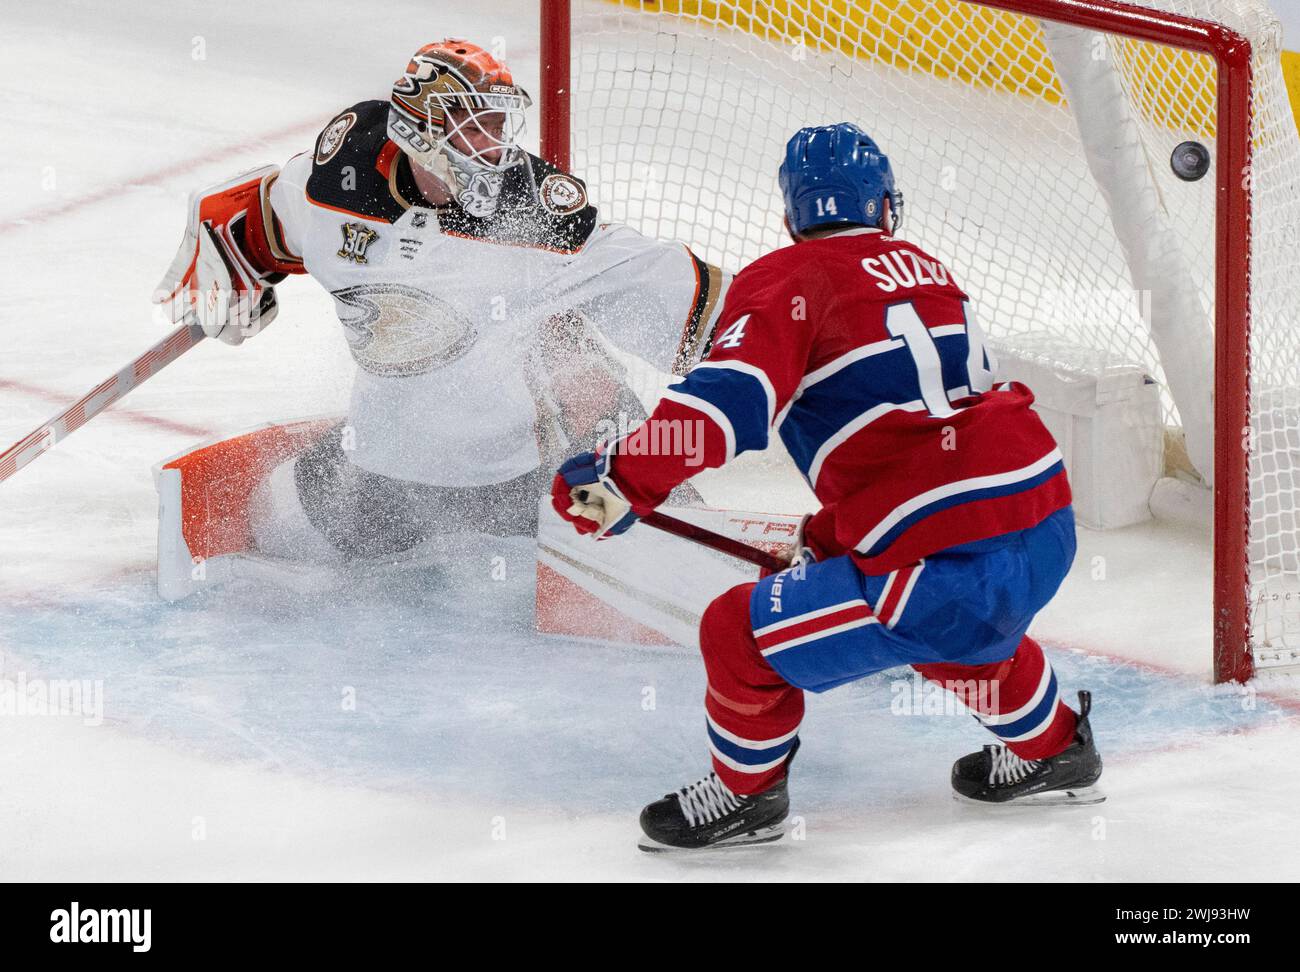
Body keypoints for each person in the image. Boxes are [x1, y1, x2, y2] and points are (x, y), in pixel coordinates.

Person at [551, 123, 1103, 851]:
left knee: (736, 633)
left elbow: (728, 406)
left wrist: (626, 474)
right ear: (884, 209)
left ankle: (747, 801)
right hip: (1044, 519)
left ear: (791, 218)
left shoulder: (788, 279)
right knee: (957, 634)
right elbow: (921, 437)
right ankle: (1056, 748)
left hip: (946, 563)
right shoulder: (928, 270)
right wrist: (835, 539)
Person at [154, 40, 727, 561]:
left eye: (501, 127)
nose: (498, 148)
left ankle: (665, 510)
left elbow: (665, 285)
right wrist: (227, 267)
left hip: (513, 483)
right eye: (478, 129)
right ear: (421, 130)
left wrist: (785, 325)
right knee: (264, 538)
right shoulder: (340, 181)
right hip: (375, 472)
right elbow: (249, 216)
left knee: (589, 386)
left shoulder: (537, 220)